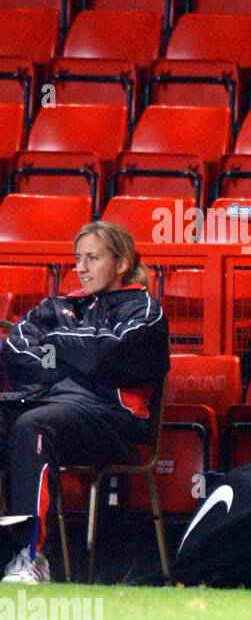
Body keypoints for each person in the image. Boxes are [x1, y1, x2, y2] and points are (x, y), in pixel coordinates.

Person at [0, 220, 169, 584]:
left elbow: (103, 357)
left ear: (121, 263)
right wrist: (72, 357)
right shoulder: (59, 306)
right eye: (78, 258)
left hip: (110, 419)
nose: (81, 268)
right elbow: (16, 353)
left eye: (92, 258)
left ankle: (31, 557)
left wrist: (57, 348)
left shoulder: (144, 312)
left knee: (34, 426)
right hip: (49, 400)